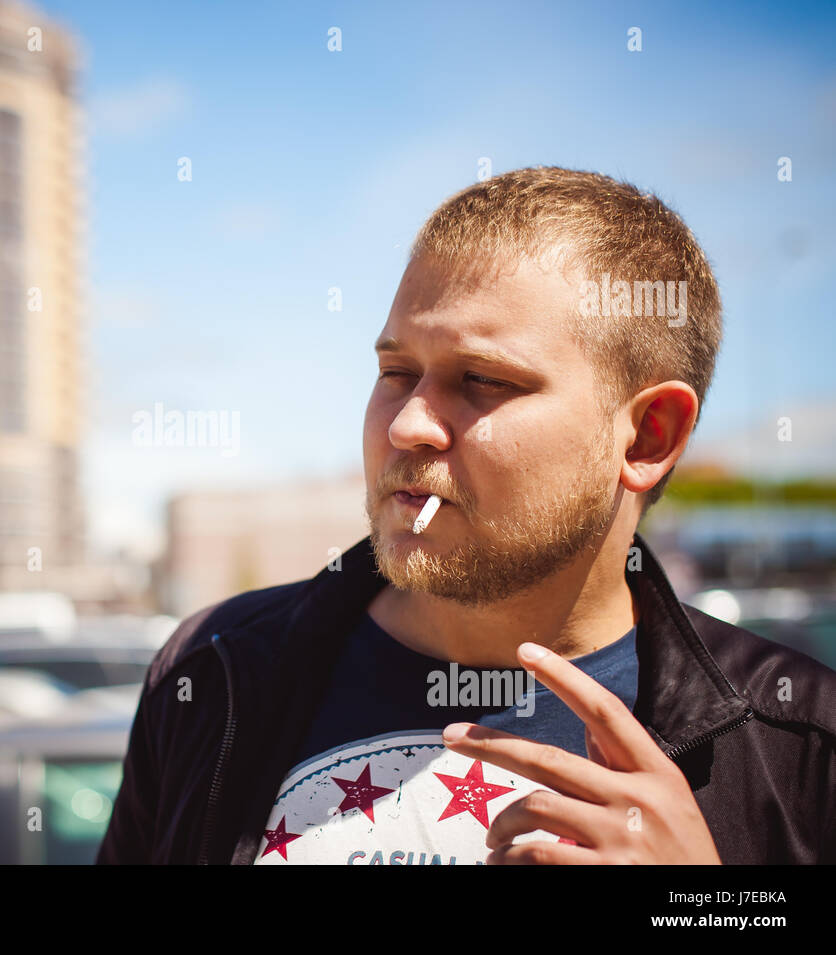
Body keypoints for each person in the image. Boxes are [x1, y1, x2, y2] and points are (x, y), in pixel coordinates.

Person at [97, 166, 836, 865]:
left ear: (648, 436)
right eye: (395, 371)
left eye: (481, 378)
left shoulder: (800, 741)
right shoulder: (216, 672)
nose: (407, 424)